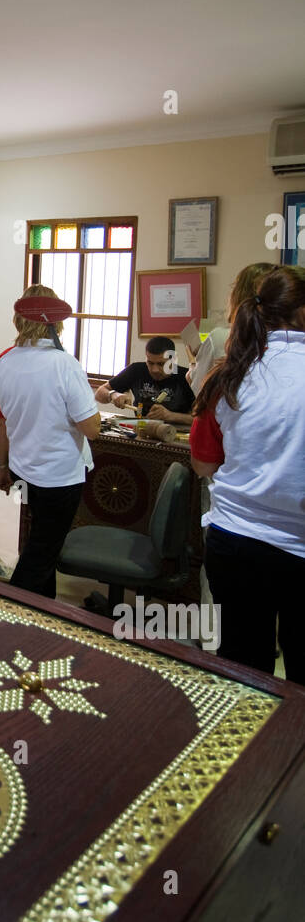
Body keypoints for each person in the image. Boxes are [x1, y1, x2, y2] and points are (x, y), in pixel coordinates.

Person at [189, 266, 305, 682]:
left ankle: (244, 744)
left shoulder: (229, 375)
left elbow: (203, 463)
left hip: (236, 543)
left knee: (242, 665)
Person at [0, 283, 101, 599]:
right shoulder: (64, 364)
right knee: (41, 553)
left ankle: (44, 609)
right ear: (55, 321)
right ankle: (11, 610)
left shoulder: (3, 363)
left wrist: (4, 467)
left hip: (26, 470)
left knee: (41, 545)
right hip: (59, 476)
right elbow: (92, 428)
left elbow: (2, 421)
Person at [186, 262, 274, 396]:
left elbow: (200, 389)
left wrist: (192, 368)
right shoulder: (291, 341)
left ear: (236, 295)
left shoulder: (221, 338)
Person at [94, 337, 194, 424]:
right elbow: (99, 393)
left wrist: (171, 416)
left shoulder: (186, 376)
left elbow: (202, 419)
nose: (154, 370)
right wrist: (113, 394)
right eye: (150, 363)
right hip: (142, 428)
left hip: (177, 432)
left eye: (161, 364)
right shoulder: (136, 370)